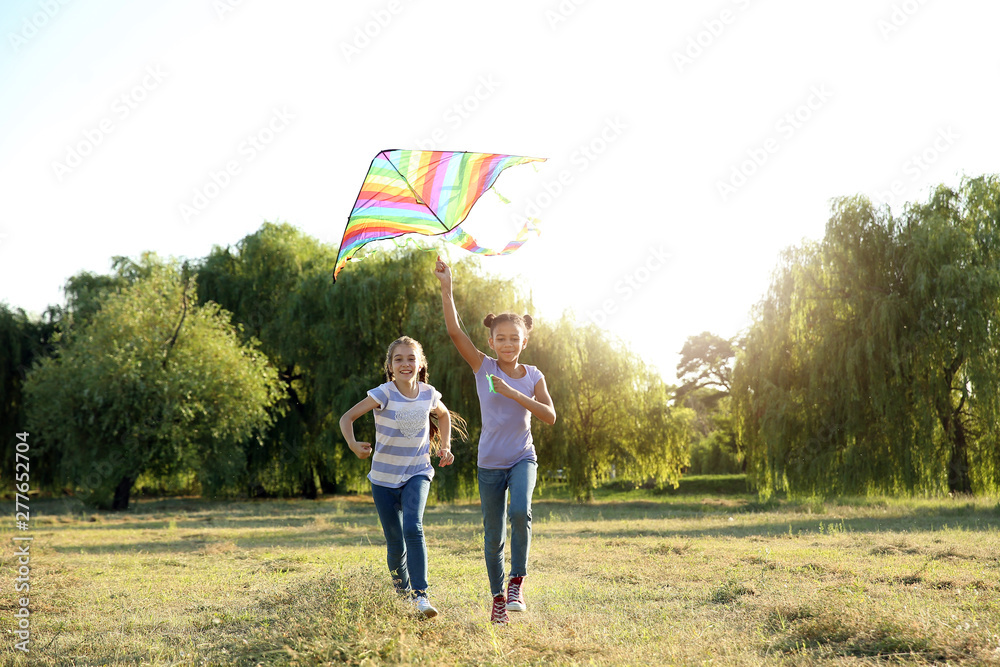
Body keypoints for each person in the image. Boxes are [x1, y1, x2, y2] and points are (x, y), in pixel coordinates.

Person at [433, 257, 557, 624]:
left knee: (520, 511)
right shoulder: (483, 367)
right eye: (500, 338)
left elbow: (549, 416)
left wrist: (515, 393)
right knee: (492, 536)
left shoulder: (533, 375)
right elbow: (455, 332)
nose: (507, 343)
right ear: (491, 340)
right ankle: (497, 596)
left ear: (524, 340)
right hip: (489, 462)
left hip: (522, 456)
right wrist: (446, 287)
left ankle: (517, 581)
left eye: (514, 338)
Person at [339, 335, 464, 619]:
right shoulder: (383, 393)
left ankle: (421, 596)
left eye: (411, 358)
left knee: (414, 528)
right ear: (390, 365)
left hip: (417, 472)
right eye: (399, 359)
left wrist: (445, 446)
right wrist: (353, 444)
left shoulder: (429, 393)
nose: (405, 364)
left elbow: (443, 416)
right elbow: (346, 418)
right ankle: (403, 596)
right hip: (382, 479)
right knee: (395, 543)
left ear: (420, 364)